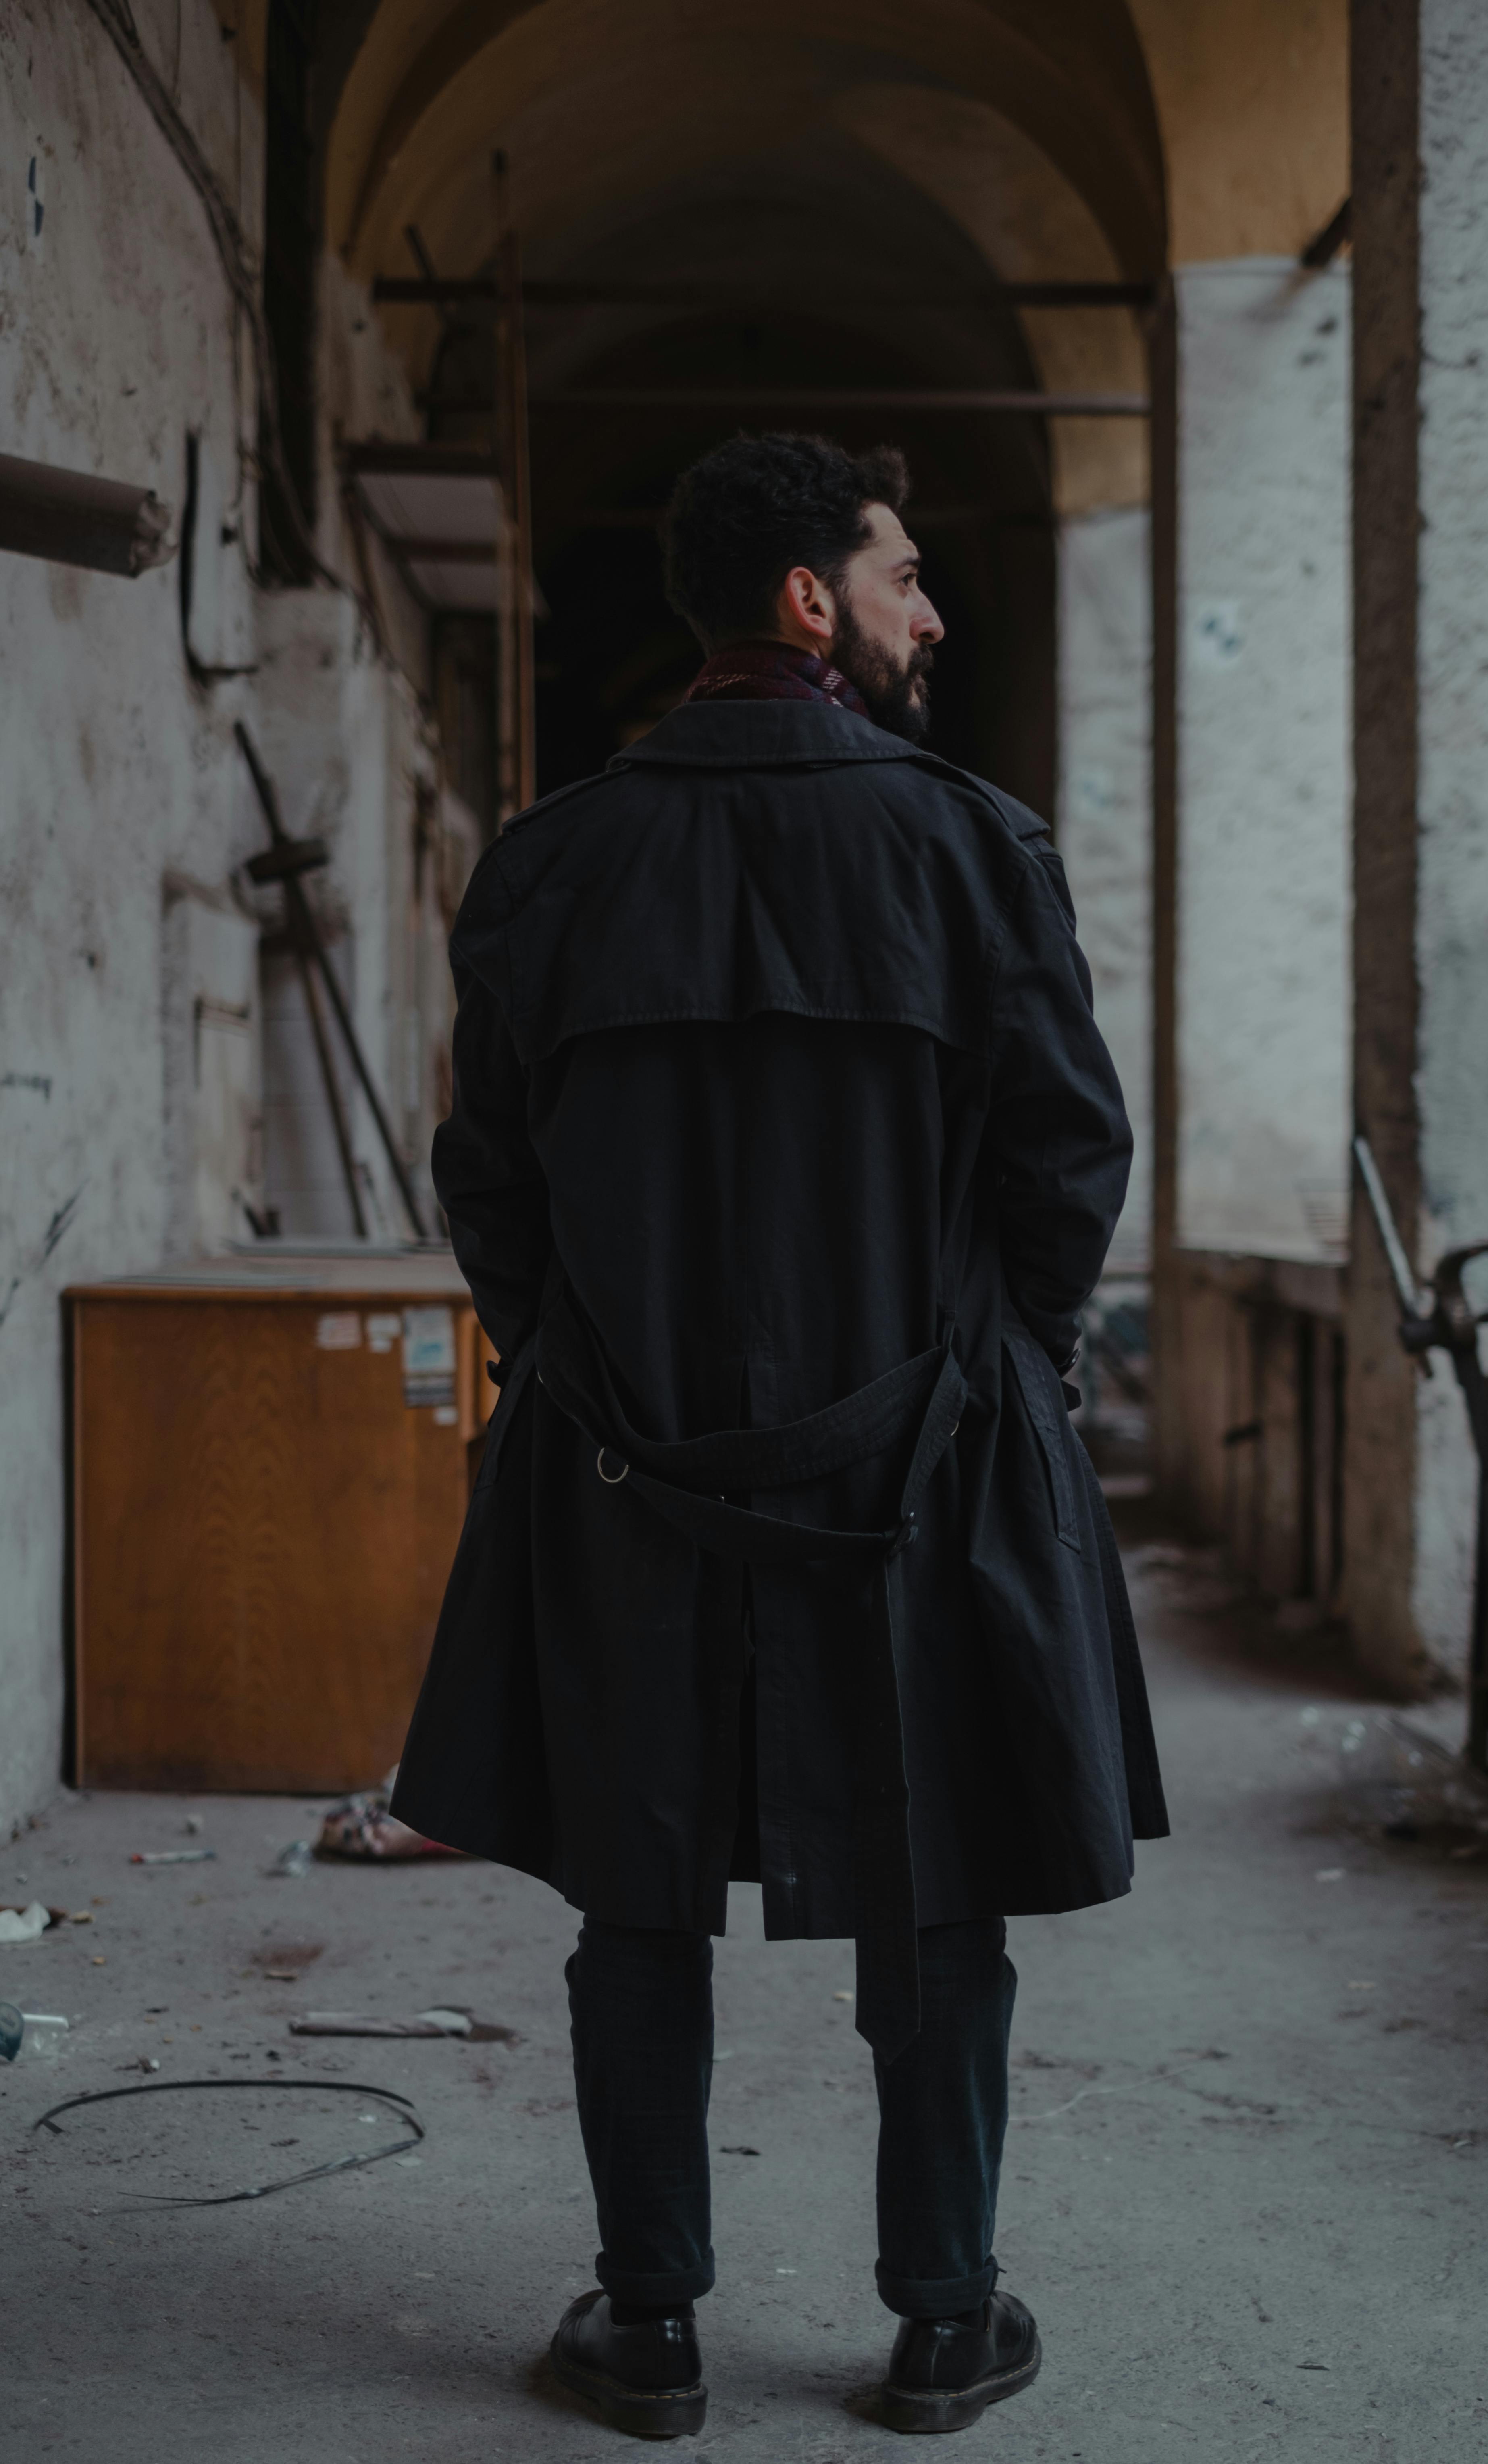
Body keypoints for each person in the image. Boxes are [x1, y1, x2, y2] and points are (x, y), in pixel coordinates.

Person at [392, 432, 1167, 2439]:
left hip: (624, 1471)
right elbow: (1067, 1159)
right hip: (921, 1467)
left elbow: (487, 1180)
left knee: (635, 1888)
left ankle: (648, 2323)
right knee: (937, 1882)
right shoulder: (971, 845)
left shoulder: (551, 860)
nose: (933, 611)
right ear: (810, 599)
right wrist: (994, 1368)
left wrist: (580, 1366)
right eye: (904, 575)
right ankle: (944, 2317)